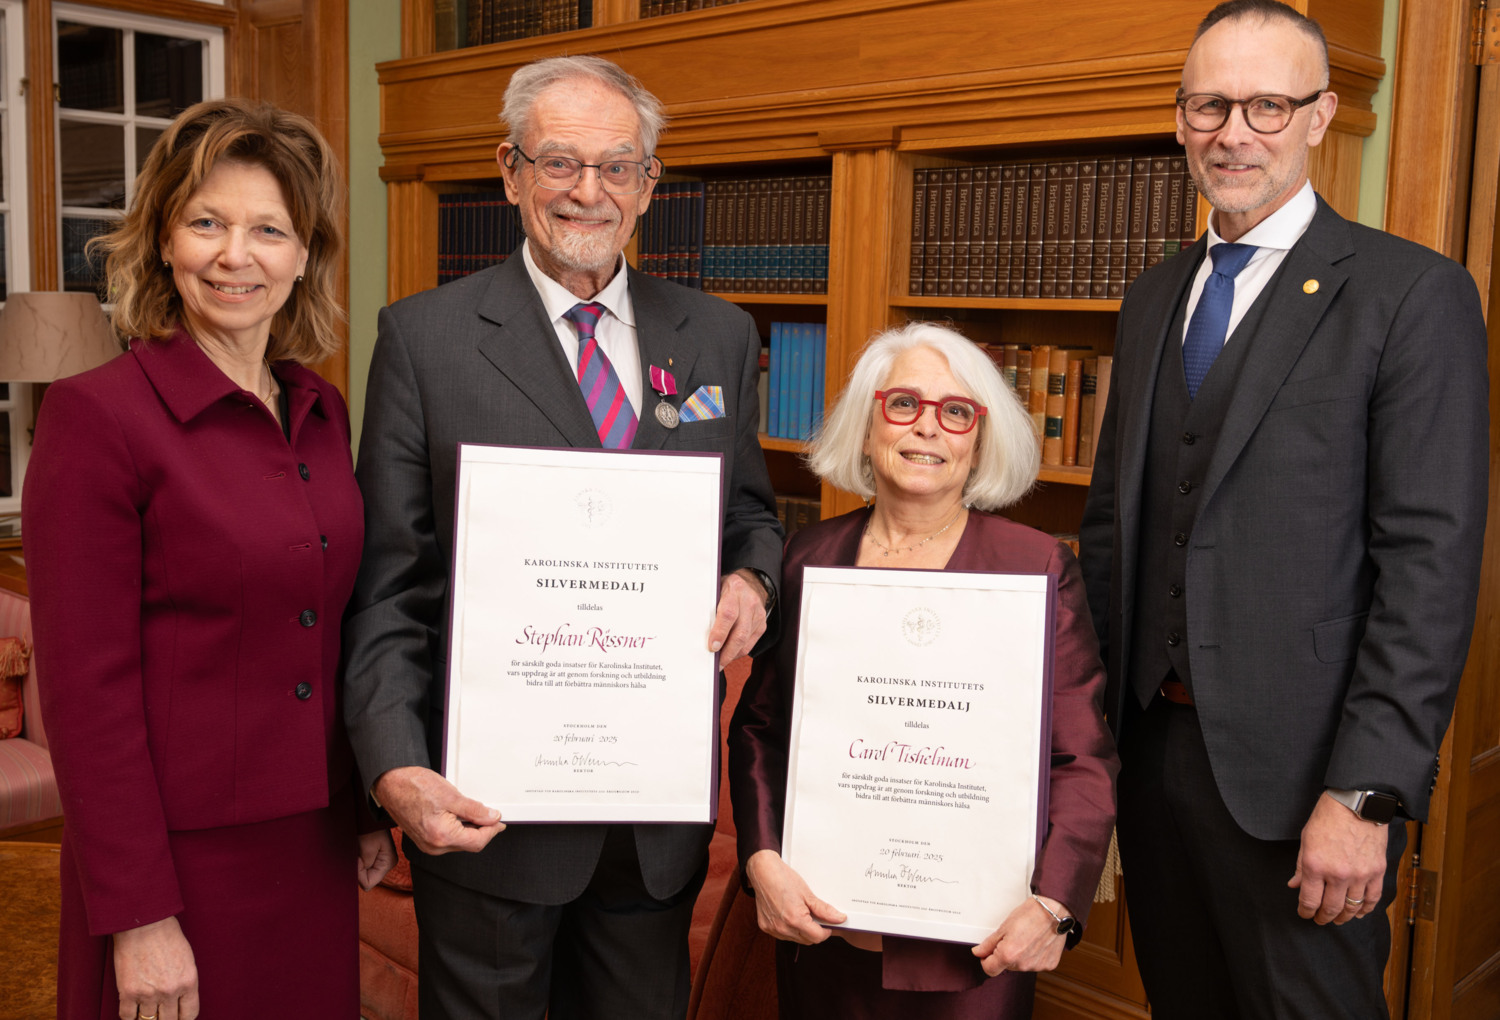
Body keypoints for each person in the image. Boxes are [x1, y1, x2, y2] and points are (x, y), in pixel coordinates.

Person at [342, 54, 783, 1020]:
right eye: (559, 163)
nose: (590, 191)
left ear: (648, 184)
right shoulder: (424, 340)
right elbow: (390, 586)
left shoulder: (718, 335)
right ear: (510, 172)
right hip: (489, 821)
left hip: (651, 822)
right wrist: (391, 768)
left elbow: (750, 514)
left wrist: (752, 580)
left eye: (616, 166)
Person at [1077, 2, 1490, 1017]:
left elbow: (1429, 571)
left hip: (1308, 785)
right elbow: (1111, 534)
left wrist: (1365, 793)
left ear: (1321, 115)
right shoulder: (1152, 297)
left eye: (1267, 105)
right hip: (1151, 761)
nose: (1234, 133)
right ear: (1180, 119)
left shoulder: (1412, 295)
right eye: (1210, 106)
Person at [22, 98, 396, 1020]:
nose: (236, 255)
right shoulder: (96, 417)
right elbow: (86, 693)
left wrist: (360, 807)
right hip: (172, 863)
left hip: (311, 838)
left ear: (304, 255)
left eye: (269, 229)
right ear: (163, 241)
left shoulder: (321, 409)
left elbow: (333, 627)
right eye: (206, 223)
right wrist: (138, 914)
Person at [729, 322, 1118, 1019]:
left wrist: (1055, 904)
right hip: (825, 930)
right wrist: (761, 861)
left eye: (956, 411)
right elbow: (760, 729)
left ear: (980, 441)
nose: (928, 427)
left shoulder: (1036, 567)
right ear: (867, 426)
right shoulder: (807, 556)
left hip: (978, 948)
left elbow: (1082, 757)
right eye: (904, 403)